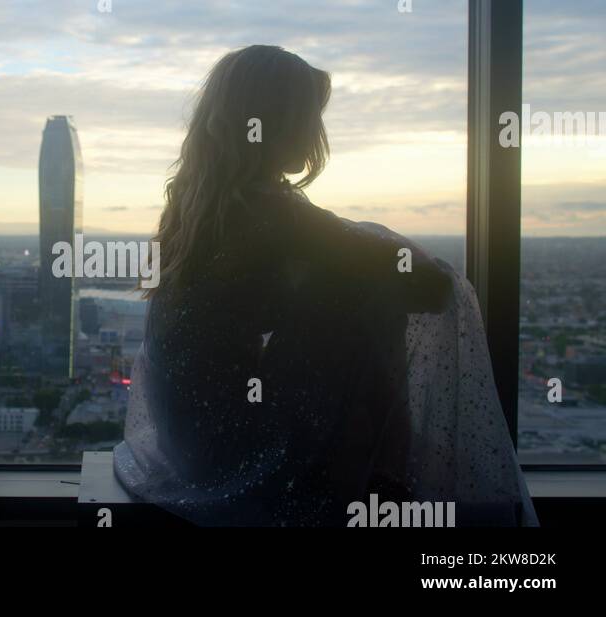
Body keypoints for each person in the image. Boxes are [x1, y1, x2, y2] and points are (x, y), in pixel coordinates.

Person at [112, 45, 537, 526]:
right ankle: (384, 485)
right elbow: (433, 288)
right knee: (371, 299)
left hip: (188, 444)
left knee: (354, 287)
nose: (316, 130)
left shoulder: (196, 207)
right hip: (239, 459)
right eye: (307, 115)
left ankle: (383, 479)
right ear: (273, 120)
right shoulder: (273, 215)